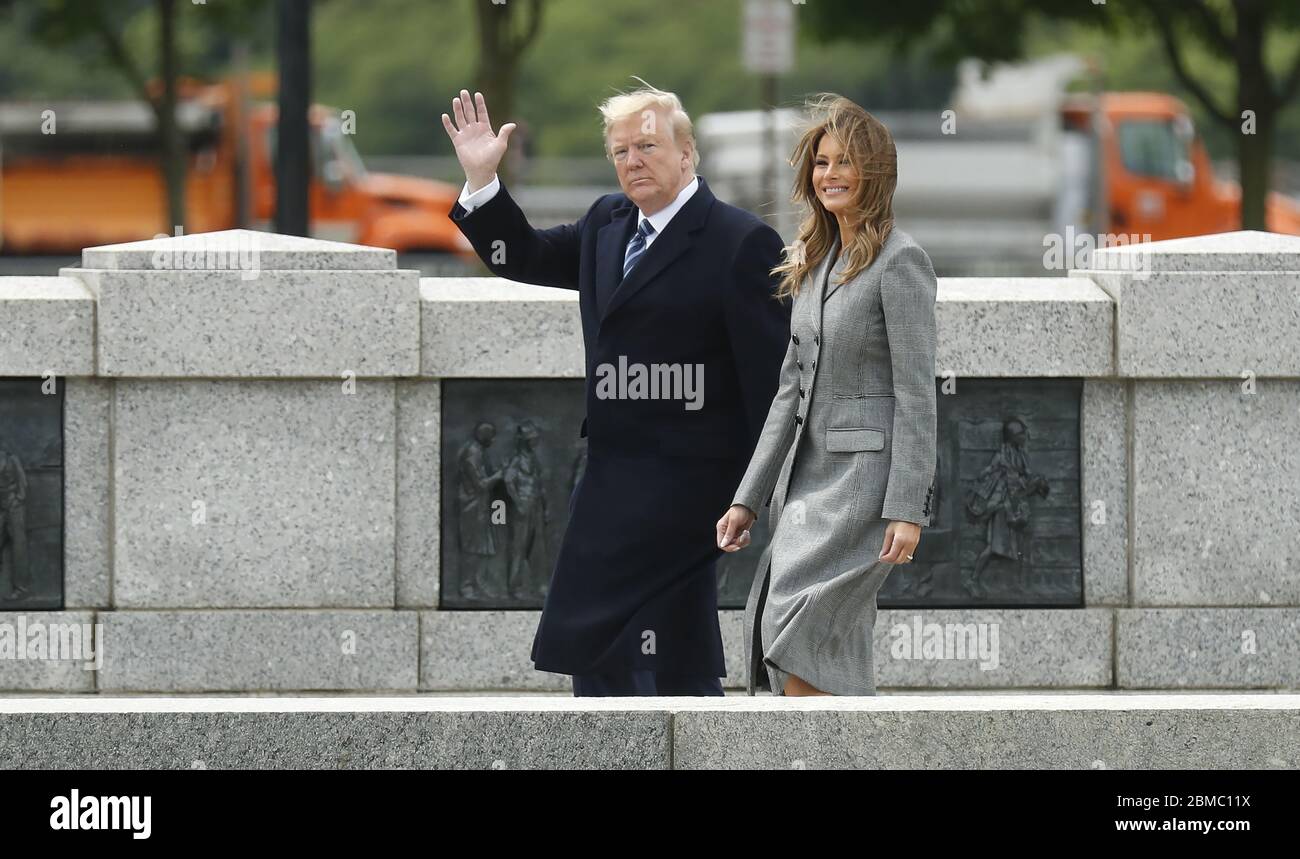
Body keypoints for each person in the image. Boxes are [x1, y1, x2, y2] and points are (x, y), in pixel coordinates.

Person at [441, 81, 790, 696]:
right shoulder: (607, 222)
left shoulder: (739, 242)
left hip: (690, 487)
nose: (633, 161)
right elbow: (519, 256)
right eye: (622, 151)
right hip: (607, 476)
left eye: (648, 146)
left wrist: (754, 496)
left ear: (687, 155)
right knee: (604, 648)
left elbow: (770, 386)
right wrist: (483, 183)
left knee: (652, 641)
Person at [716, 94, 938, 697]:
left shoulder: (902, 262)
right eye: (821, 162)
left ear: (876, 174)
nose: (831, 175)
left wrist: (906, 509)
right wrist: (748, 499)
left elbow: (917, 395)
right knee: (792, 625)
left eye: (845, 162)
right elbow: (789, 393)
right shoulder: (814, 263)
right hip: (808, 483)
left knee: (796, 625)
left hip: (865, 485)